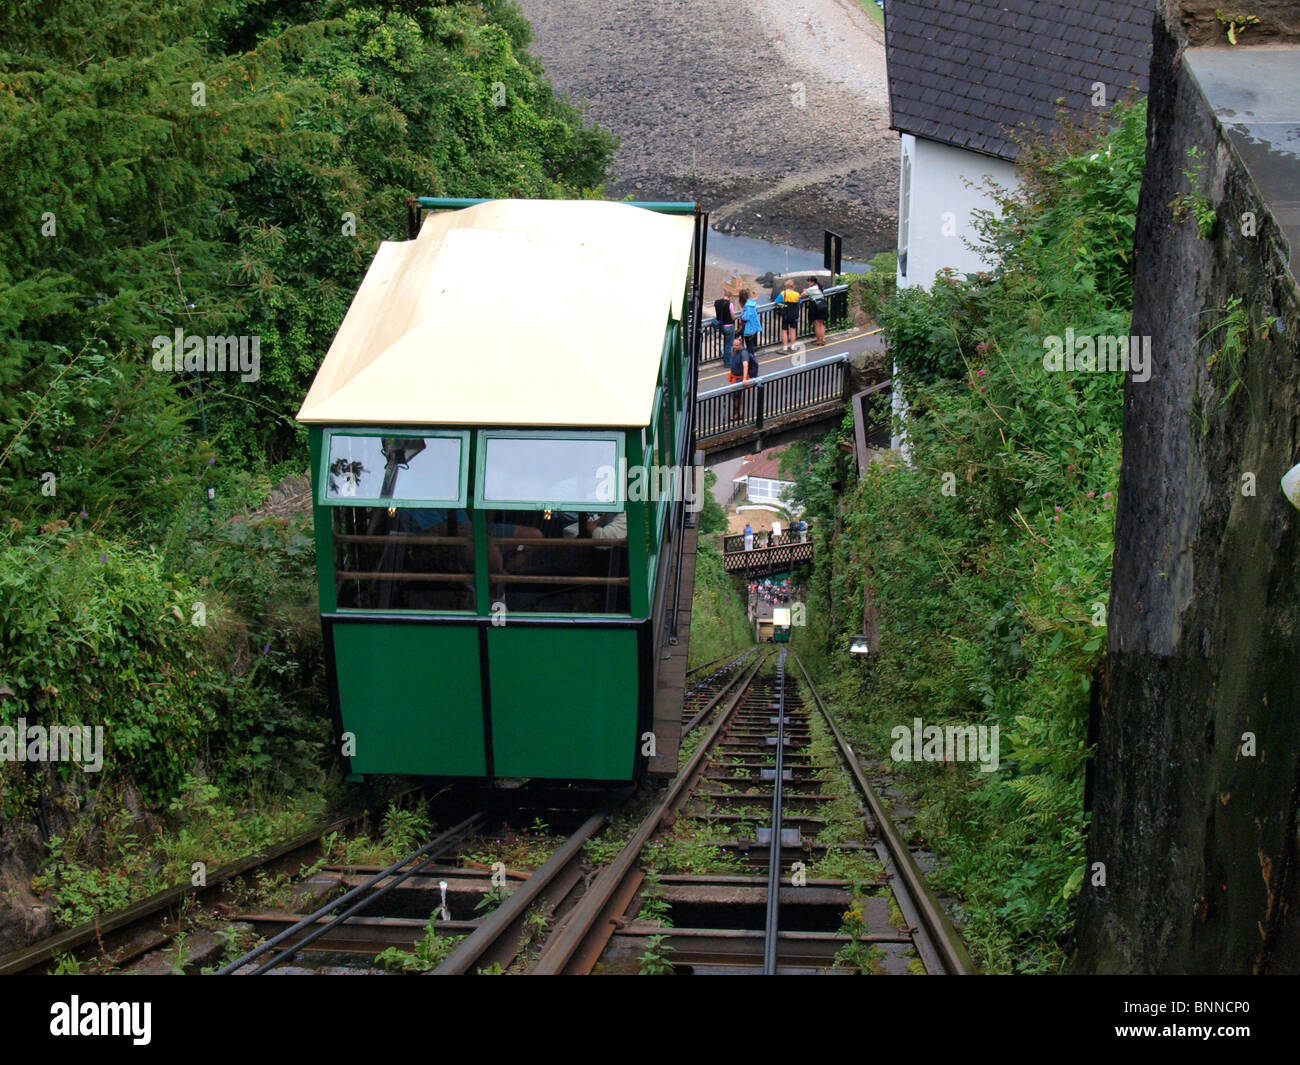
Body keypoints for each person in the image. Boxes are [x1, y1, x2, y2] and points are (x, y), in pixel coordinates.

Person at [804, 277, 828, 346]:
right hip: (823, 305)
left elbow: (802, 295)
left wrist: (805, 291)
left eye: (808, 281)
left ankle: (819, 340)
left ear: (812, 282)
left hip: (815, 307)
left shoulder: (810, 289)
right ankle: (823, 339)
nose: (808, 283)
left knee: (816, 324)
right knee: (821, 323)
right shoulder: (819, 287)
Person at [714, 297, 736, 371]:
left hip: (722, 326)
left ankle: (725, 358)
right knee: (729, 345)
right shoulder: (730, 304)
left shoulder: (717, 302)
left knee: (725, 344)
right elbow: (732, 316)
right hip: (729, 326)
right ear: (730, 297)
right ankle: (728, 362)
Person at [779, 280, 800, 352]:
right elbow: (799, 302)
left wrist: (783, 305)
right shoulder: (797, 294)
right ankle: (793, 346)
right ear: (793, 286)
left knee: (784, 330)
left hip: (786, 314)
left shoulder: (783, 293)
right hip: (794, 314)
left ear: (786, 286)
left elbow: (776, 301)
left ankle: (785, 347)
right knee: (793, 330)